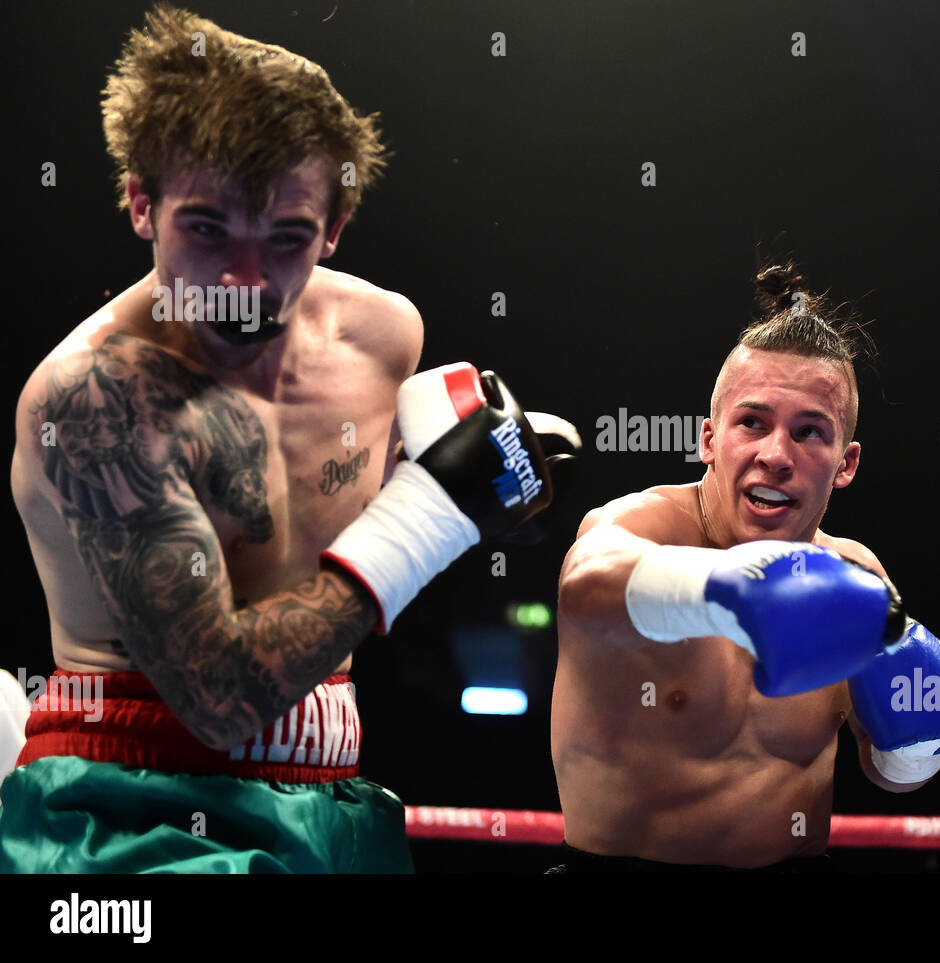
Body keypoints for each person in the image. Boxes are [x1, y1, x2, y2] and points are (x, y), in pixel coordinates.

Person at [2, 4, 575, 873]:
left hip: (334, 797)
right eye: (206, 228)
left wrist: (498, 499)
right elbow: (220, 698)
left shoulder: (384, 338)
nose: (245, 280)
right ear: (140, 205)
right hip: (127, 808)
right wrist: (438, 512)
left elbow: (342, 583)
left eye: (285, 239)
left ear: (334, 229)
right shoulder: (94, 398)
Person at [551, 263, 940, 872]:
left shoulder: (854, 574)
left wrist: (916, 743)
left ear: (846, 463)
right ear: (709, 440)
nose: (775, 456)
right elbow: (585, 587)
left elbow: (893, 778)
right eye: (752, 423)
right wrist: (727, 587)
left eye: (809, 433)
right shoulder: (643, 526)